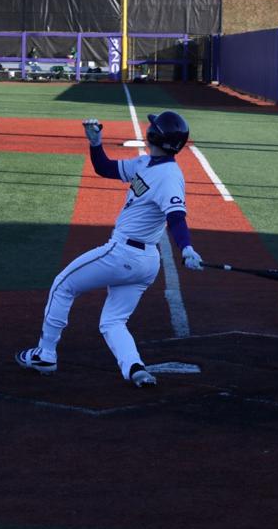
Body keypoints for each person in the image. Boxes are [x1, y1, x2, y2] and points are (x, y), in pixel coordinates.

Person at [15, 111, 204, 387]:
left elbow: (176, 216)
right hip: (146, 262)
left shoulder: (168, 176)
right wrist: (95, 143)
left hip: (122, 254)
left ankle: (44, 354)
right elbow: (104, 168)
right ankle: (135, 369)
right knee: (113, 321)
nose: (148, 126)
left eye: (152, 125)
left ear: (156, 135)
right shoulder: (145, 163)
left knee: (62, 285)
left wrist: (186, 247)